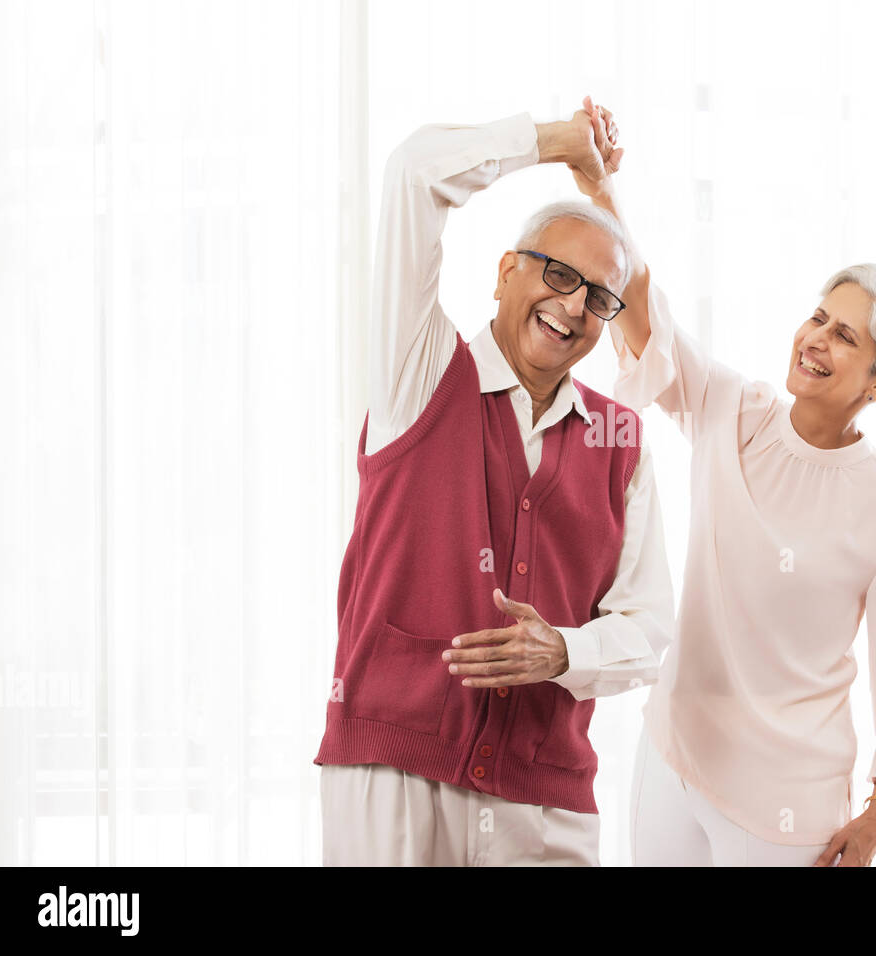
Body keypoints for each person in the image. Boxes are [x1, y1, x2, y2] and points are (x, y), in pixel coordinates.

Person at [575, 102, 876, 866]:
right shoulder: (732, 409)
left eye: (845, 337)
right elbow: (651, 317)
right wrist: (601, 188)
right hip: (674, 754)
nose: (815, 339)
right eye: (819, 316)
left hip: (789, 804)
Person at [314, 101, 675, 866]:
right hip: (395, 771)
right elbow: (414, 173)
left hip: (544, 801)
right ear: (507, 270)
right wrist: (556, 144)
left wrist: (564, 652)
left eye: (599, 296)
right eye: (558, 273)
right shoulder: (418, 374)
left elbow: (651, 628)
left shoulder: (621, 440)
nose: (574, 305)